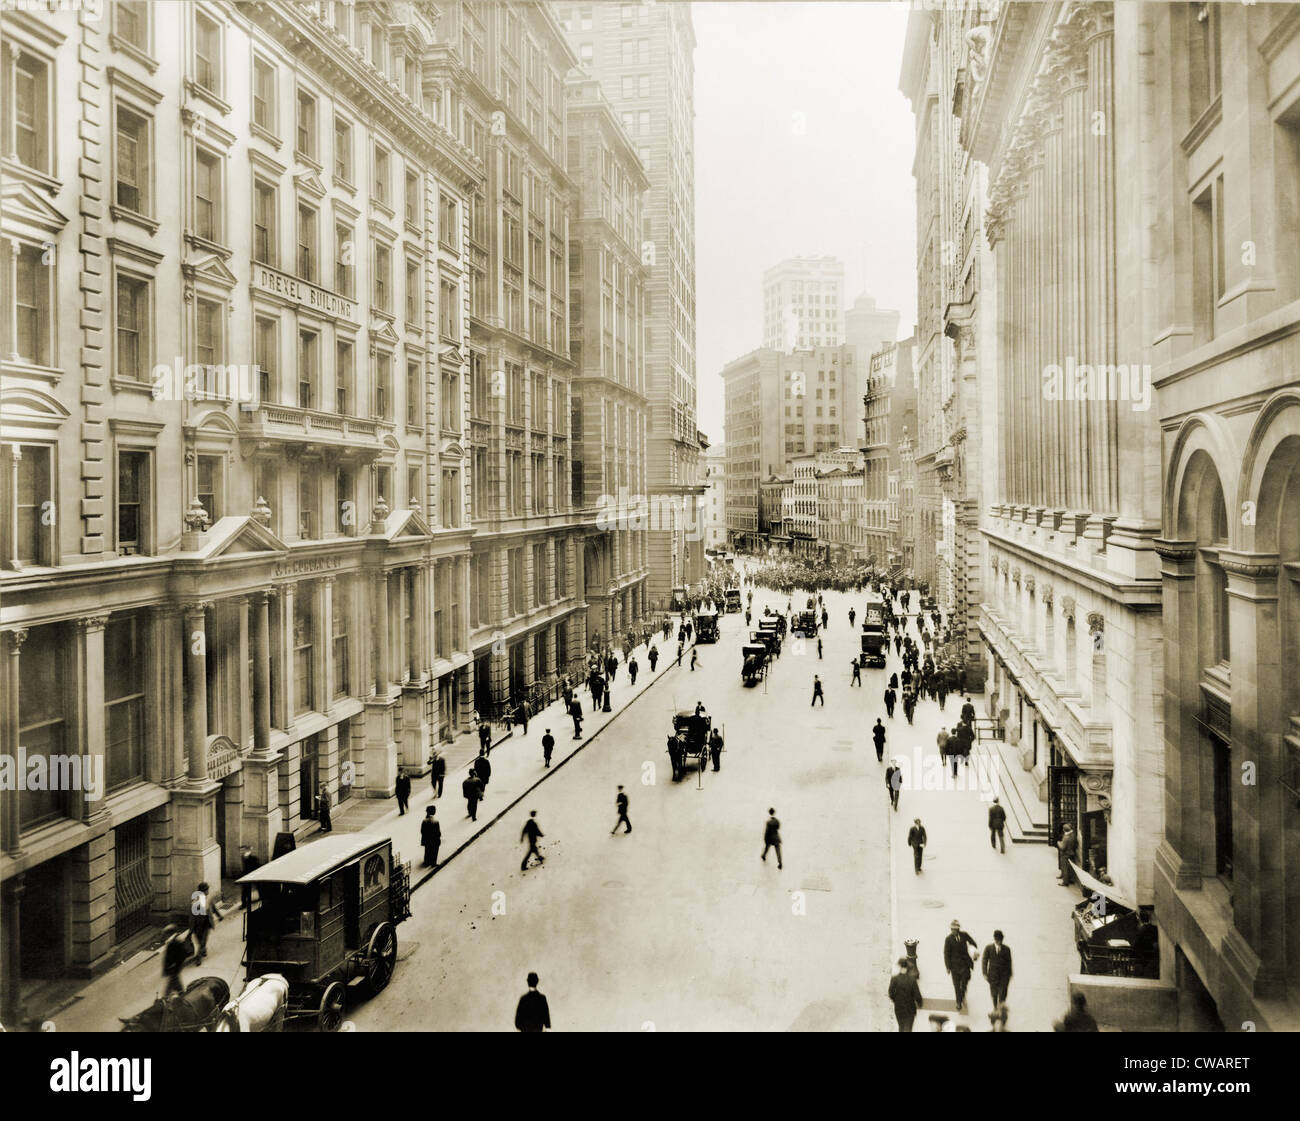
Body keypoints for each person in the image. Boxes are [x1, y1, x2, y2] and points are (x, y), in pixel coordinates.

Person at [943, 920, 979, 1012]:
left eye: (954, 929)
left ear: (958, 929)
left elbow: (973, 943)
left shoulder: (964, 935)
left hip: (965, 964)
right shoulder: (948, 939)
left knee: (964, 984)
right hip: (954, 966)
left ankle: (962, 996)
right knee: (956, 986)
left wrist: (974, 951)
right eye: (952, 929)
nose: (953, 931)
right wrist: (947, 967)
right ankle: (958, 1002)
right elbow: (946, 954)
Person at [188, 881, 223, 964]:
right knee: (199, 940)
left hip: (206, 923)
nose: (208, 891)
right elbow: (192, 916)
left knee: (203, 941)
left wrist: (219, 915)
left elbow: (213, 908)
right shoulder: (195, 901)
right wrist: (191, 928)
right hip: (197, 924)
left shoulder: (209, 899)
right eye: (207, 890)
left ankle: (198, 957)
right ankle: (203, 950)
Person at [887, 956, 923, 1032]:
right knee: (908, 1027)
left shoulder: (895, 979)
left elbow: (890, 992)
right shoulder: (912, 980)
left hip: (899, 1008)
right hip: (910, 1008)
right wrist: (919, 1003)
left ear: (900, 967)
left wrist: (895, 1000)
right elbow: (917, 995)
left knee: (901, 1026)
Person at [982, 930, 1012, 1009]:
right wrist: (984, 973)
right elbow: (984, 961)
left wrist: (1009, 975)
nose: (999, 941)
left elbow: (1009, 962)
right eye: (998, 940)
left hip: (1004, 976)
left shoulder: (1007, 949)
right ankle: (995, 1008)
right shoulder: (988, 948)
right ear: (995, 939)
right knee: (994, 994)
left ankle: (1000, 1010)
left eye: (1001, 939)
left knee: (1002, 994)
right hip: (993, 975)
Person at [161, 924, 194, 998]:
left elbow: (181, 956)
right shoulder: (172, 941)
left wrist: (174, 967)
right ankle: (183, 996)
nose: (164, 936)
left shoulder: (175, 942)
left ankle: (166, 999)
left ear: (169, 933)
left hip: (173, 970)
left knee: (168, 991)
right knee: (177, 988)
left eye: (165, 934)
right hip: (173, 970)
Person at [239, 845, 261, 911]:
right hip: (247, 875)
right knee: (245, 889)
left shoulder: (253, 858)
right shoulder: (243, 857)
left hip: (253, 874)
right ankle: (244, 903)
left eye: (243, 850)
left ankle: (261, 896)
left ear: (247, 850)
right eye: (241, 851)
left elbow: (256, 866)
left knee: (258, 886)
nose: (241, 852)